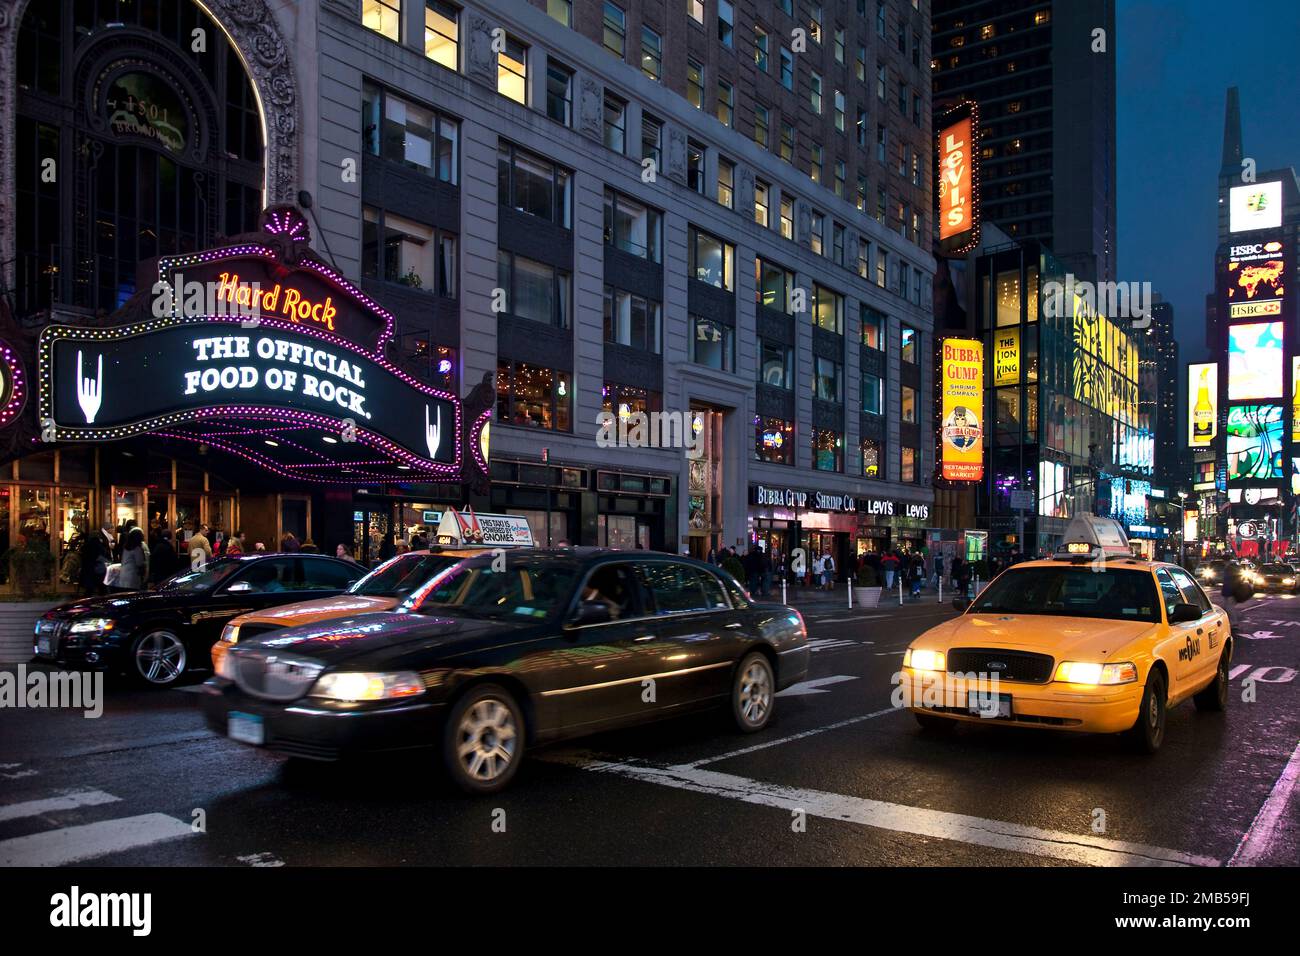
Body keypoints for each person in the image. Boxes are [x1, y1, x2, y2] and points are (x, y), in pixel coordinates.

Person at [78, 523, 109, 596]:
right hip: (97, 570)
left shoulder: (86, 546)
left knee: (89, 590)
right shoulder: (99, 546)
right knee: (102, 589)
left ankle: (87, 601)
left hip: (88, 570)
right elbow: (101, 557)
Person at [117, 527, 149, 592]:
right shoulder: (137, 548)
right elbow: (139, 563)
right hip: (133, 576)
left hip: (124, 575)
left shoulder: (126, 547)